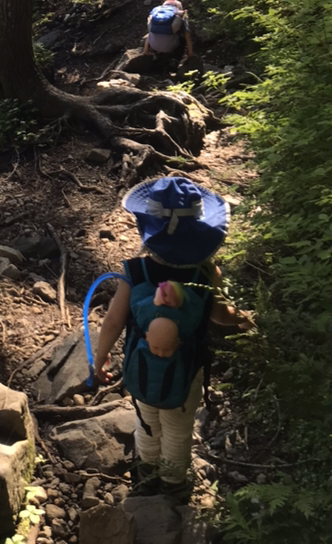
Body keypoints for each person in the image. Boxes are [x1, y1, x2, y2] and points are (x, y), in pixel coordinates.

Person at [93, 176, 254, 501]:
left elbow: (112, 321)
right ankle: (173, 483)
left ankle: (146, 475)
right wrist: (246, 320)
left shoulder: (134, 271)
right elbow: (220, 315)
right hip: (187, 371)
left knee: (147, 422)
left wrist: (99, 360)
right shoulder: (207, 274)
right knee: (179, 431)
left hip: (140, 367)